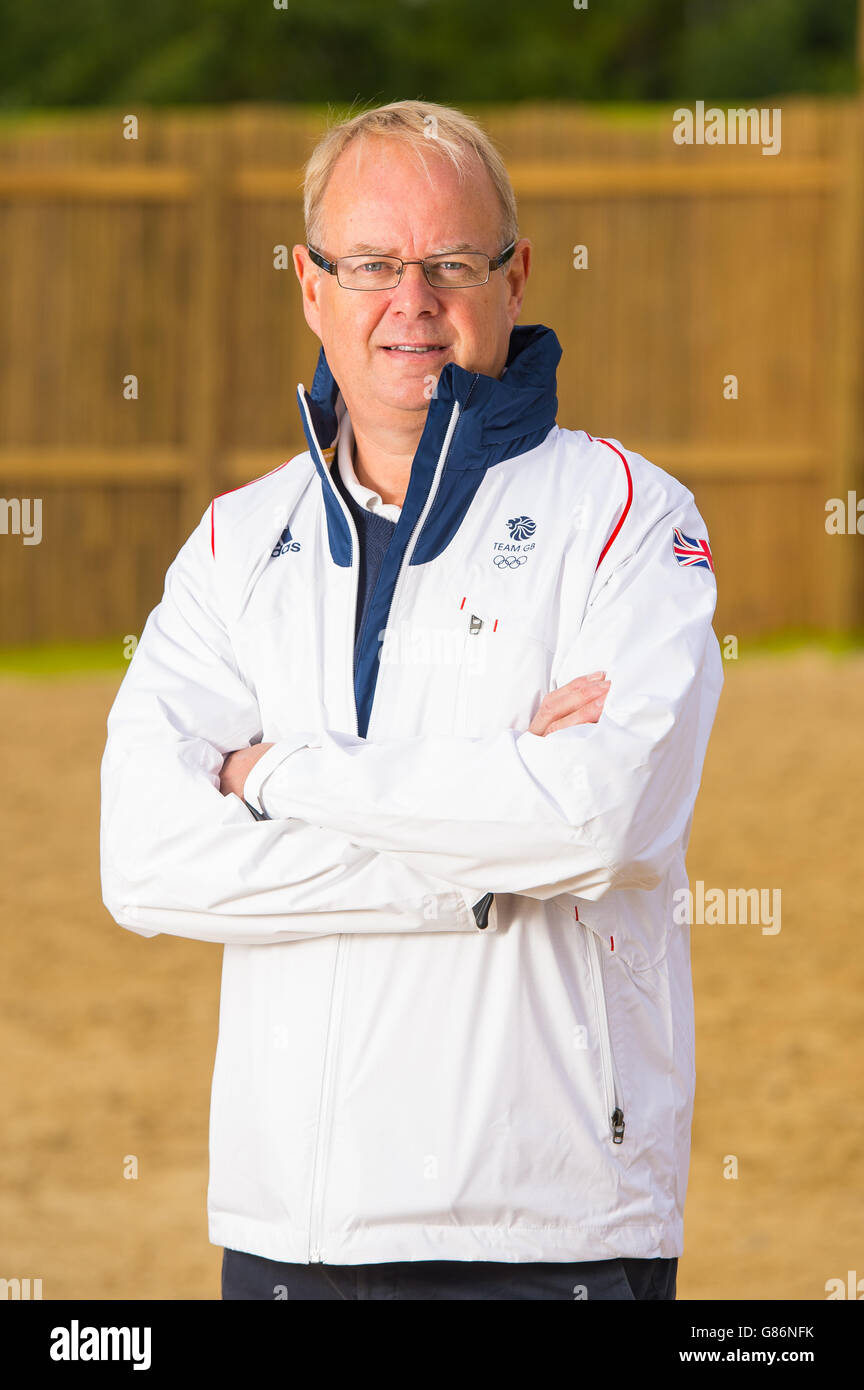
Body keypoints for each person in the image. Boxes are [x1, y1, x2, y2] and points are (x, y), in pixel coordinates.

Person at [99, 99, 724, 1302]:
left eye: (450, 263)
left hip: (547, 1232)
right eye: (373, 264)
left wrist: (275, 775)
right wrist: (479, 853)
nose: (412, 300)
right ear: (309, 283)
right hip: (290, 1232)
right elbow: (144, 860)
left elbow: (599, 822)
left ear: (516, 274)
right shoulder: (236, 542)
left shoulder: (628, 516)